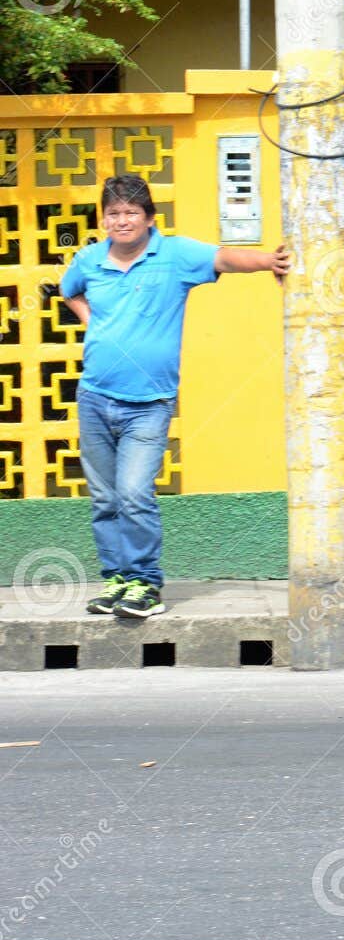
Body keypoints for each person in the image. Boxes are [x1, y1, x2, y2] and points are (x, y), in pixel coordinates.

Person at [59, 174, 290, 618]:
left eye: (131, 212)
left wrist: (268, 261)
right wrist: (95, 323)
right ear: (103, 219)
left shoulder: (175, 255)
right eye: (113, 213)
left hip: (149, 403)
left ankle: (145, 585)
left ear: (149, 218)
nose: (121, 220)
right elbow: (69, 291)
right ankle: (116, 580)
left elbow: (223, 258)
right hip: (94, 397)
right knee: (105, 499)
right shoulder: (88, 259)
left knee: (133, 494)